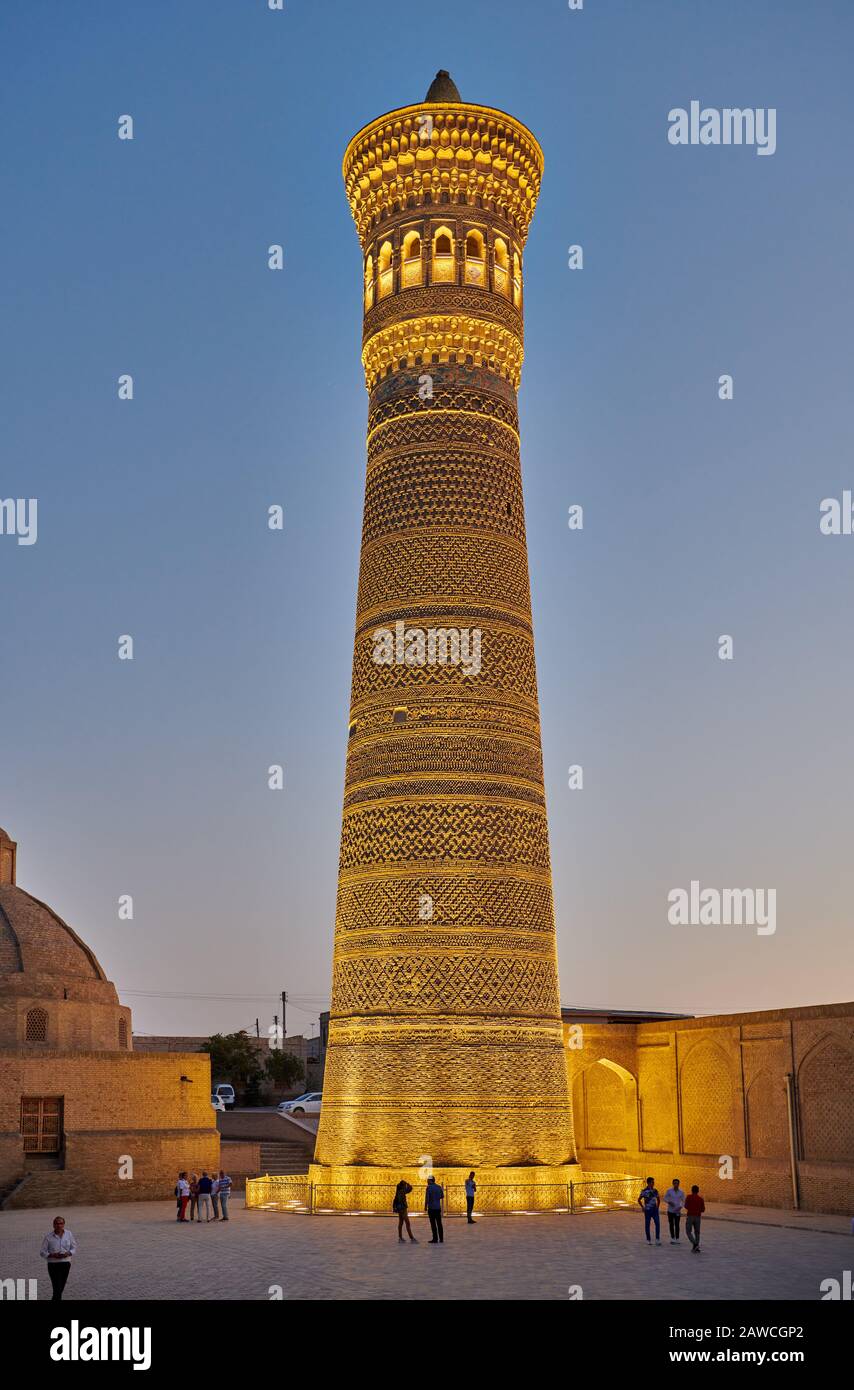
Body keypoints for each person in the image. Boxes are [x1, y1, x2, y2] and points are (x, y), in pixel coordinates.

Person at [40, 1216, 77, 1300]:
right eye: (57, 1223)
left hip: (66, 1263)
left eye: (61, 1223)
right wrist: (52, 1255)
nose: (59, 1225)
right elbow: (42, 1252)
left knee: (61, 1287)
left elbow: (74, 1247)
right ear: (53, 1225)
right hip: (53, 1265)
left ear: (64, 1224)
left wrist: (69, 1253)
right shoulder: (48, 1237)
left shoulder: (69, 1234)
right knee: (56, 1287)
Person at [638, 1177, 661, 1244]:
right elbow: (639, 1200)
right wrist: (642, 1207)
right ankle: (648, 1239)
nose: (653, 1183)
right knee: (647, 1224)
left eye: (653, 1182)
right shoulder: (644, 1191)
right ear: (648, 1183)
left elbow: (658, 1199)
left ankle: (657, 1239)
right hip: (647, 1210)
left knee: (657, 1224)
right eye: (652, 1182)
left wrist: (657, 1207)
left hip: (654, 1210)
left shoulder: (655, 1191)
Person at [684, 1185, 706, 1253]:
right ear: (698, 1191)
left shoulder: (688, 1197)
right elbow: (703, 1210)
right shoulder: (701, 1199)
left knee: (688, 1231)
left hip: (690, 1216)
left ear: (691, 1190)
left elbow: (686, 1206)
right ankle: (696, 1246)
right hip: (698, 1217)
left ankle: (695, 1244)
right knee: (697, 1232)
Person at [663, 1178, 685, 1244]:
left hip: (677, 1211)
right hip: (670, 1210)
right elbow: (665, 1198)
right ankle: (672, 1238)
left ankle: (677, 1238)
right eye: (675, 1183)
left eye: (677, 1183)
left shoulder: (681, 1192)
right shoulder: (669, 1191)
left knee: (677, 1224)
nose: (676, 1184)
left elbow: (684, 1201)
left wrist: (681, 1206)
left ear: (679, 1184)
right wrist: (669, 1202)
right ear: (673, 1184)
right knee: (671, 1224)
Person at [424, 1175, 445, 1244]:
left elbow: (427, 1198)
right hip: (438, 1208)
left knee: (433, 1224)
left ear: (430, 1180)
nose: (427, 1181)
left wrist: (425, 1206)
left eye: (428, 1180)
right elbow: (442, 1196)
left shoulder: (429, 1188)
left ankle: (435, 1239)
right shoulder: (439, 1187)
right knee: (439, 1223)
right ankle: (441, 1239)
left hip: (431, 1208)